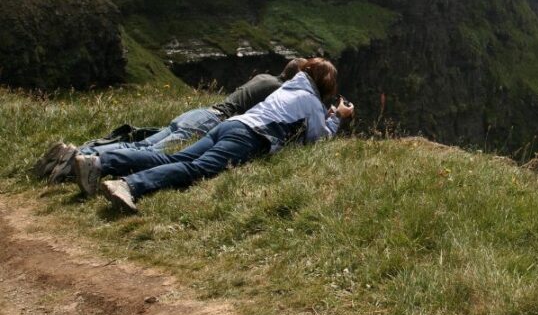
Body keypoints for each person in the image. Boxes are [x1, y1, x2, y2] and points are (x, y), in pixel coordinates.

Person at [72, 58, 354, 212]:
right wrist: (338, 118)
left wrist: (325, 115)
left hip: (231, 124)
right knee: (196, 169)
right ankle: (130, 186)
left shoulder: (290, 88)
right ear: (326, 85)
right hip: (249, 136)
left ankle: (99, 163)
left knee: (175, 157)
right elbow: (318, 139)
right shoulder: (313, 103)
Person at [34, 59, 308, 183]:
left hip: (201, 113)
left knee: (144, 145)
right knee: (149, 151)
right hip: (211, 124)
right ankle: (78, 162)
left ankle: (77, 153)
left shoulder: (264, 78)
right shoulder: (277, 90)